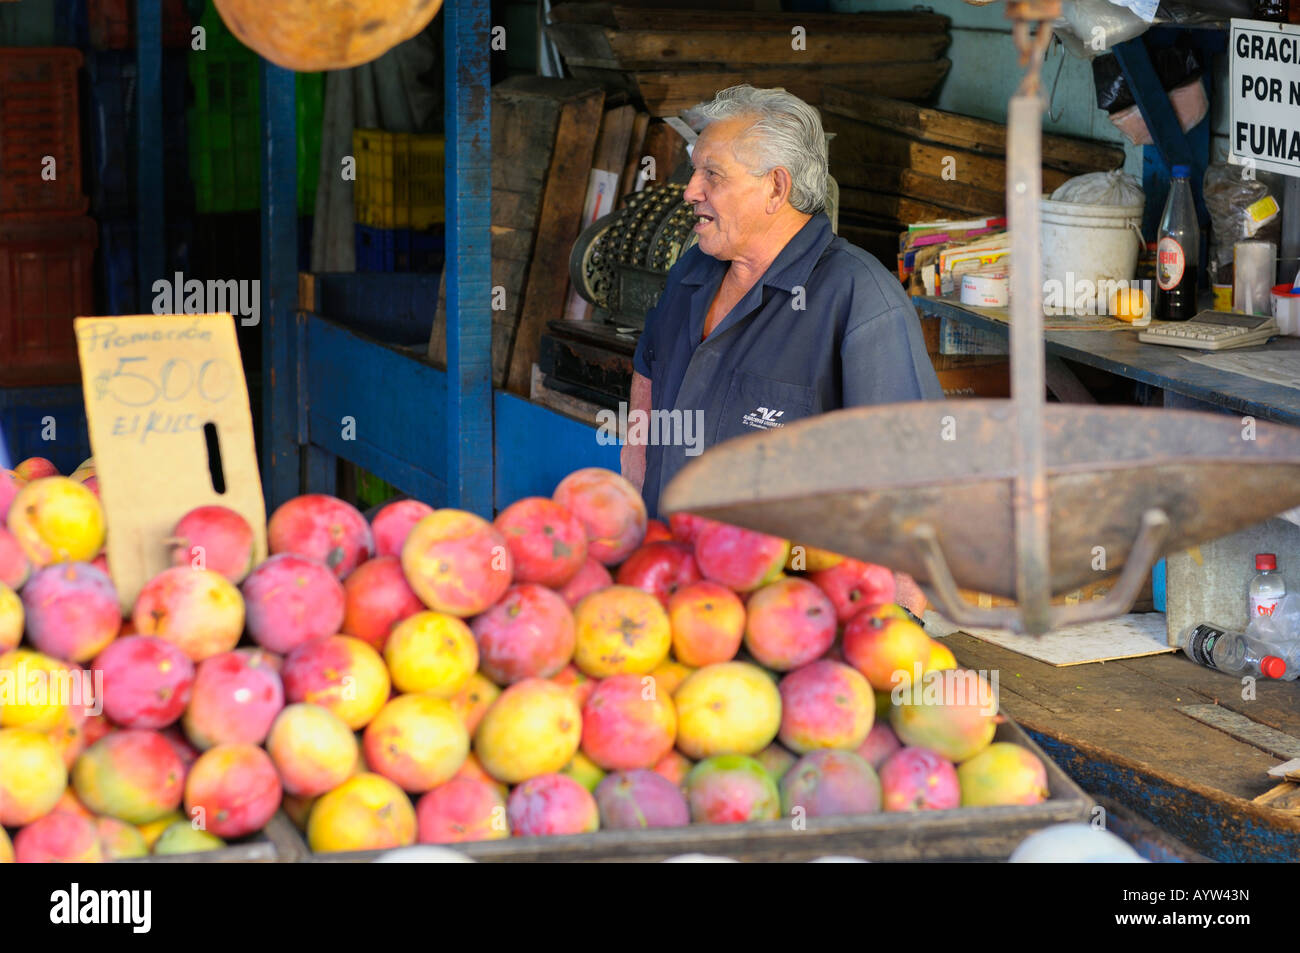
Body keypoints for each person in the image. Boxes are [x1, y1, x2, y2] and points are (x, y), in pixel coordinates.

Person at [622, 84, 943, 520]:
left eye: (712, 174)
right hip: (669, 569)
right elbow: (649, 373)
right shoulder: (690, 271)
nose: (689, 190)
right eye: (693, 170)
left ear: (776, 187)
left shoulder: (860, 299)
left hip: (786, 583)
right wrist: (636, 511)